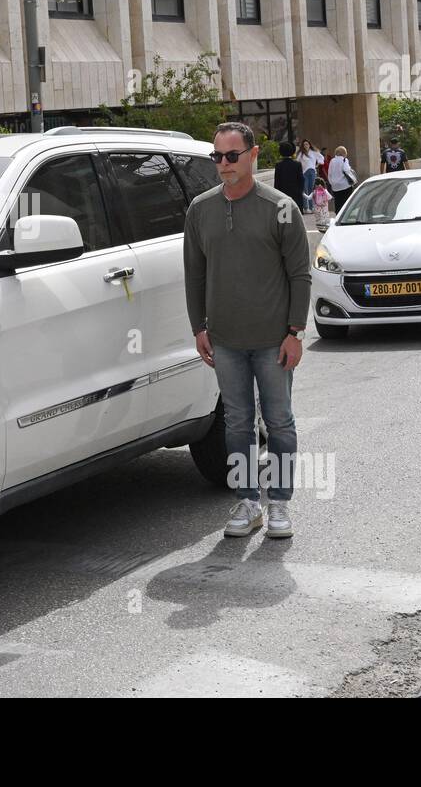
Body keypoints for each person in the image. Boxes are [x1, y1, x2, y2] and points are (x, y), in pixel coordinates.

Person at [184, 121, 311, 540]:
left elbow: (299, 274)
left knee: (279, 422)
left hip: (273, 340)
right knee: (237, 425)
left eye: (232, 156)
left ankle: (280, 504)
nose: (223, 164)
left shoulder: (280, 207)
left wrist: (295, 330)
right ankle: (248, 501)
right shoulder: (200, 210)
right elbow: (195, 275)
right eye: (217, 156)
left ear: (253, 156)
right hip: (225, 341)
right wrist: (199, 327)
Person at [273, 140, 304, 210]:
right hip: (296, 195)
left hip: (283, 195)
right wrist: (300, 191)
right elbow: (301, 180)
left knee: (285, 218)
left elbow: (277, 182)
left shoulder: (278, 165)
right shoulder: (297, 164)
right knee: (297, 218)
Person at [326, 146, 356, 212]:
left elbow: (329, 173)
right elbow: (346, 170)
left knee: (337, 203)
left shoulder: (332, 161)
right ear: (344, 153)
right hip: (345, 185)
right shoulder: (344, 160)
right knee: (346, 203)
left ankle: (338, 216)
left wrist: (332, 183)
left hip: (335, 186)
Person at [298, 139, 321, 212]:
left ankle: (312, 207)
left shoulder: (313, 152)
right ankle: (305, 207)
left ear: (309, 145)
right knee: (305, 189)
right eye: (304, 144)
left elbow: (321, 158)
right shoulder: (301, 153)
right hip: (304, 172)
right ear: (303, 146)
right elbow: (297, 162)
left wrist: (317, 165)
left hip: (312, 172)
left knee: (311, 189)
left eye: (307, 144)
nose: (306, 146)